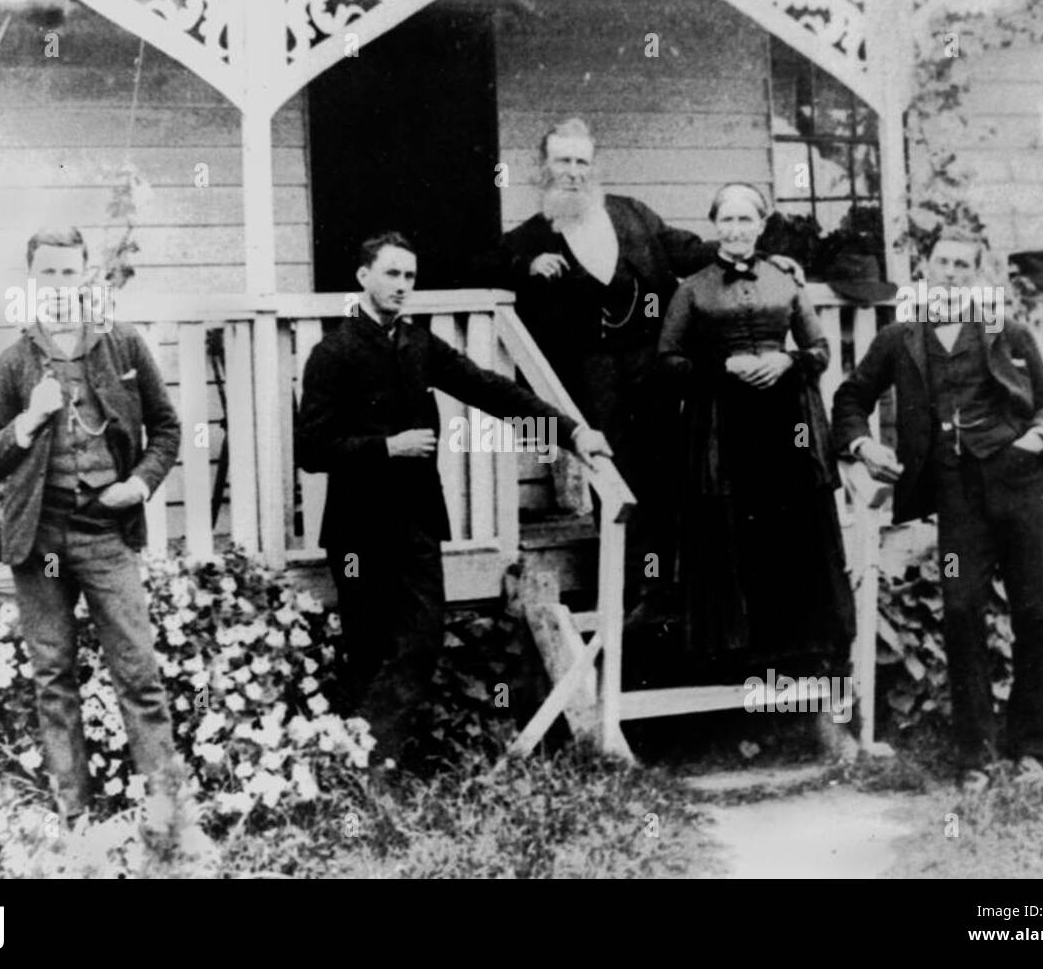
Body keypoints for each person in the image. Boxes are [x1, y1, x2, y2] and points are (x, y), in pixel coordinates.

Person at [298, 232, 612, 758]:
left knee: (421, 643)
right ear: (363, 278)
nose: (402, 286)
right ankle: (367, 771)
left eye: (410, 277)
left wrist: (570, 432)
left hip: (417, 521)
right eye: (392, 274)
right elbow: (311, 448)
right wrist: (386, 447)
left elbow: (491, 389)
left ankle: (367, 758)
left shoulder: (420, 345)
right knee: (368, 651)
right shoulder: (333, 353)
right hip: (357, 528)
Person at [832, 229, 1043, 793]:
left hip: (1021, 486)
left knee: (1034, 614)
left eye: (965, 264)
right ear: (927, 268)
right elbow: (850, 398)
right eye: (944, 262)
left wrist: (1038, 436)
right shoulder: (899, 337)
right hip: (956, 494)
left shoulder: (1005, 330)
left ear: (978, 273)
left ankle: (1031, 748)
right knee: (962, 613)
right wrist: (863, 446)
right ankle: (976, 759)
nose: (954, 272)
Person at [0, 225, 181, 821]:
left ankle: (168, 818)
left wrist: (138, 484)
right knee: (52, 678)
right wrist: (27, 422)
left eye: (71, 272)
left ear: (85, 277)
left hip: (105, 532)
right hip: (40, 538)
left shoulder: (123, 345)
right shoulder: (16, 361)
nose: (60, 284)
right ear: (33, 279)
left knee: (139, 674)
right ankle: (74, 822)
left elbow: (166, 429)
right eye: (49, 273)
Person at [488, 118, 718, 630]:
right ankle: (635, 590)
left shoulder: (633, 215)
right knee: (613, 473)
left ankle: (671, 588)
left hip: (652, 365)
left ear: (594, 168)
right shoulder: (527, 238)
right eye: (563, 161)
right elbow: (477, 266)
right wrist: (525, 267)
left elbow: (689, 251)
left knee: (667, 468)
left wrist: (757, 254)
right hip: (591, 374)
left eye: (581, 162)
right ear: (543, 168)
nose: (573, 172)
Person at [658, 182, 855, 687]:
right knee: (732, 530)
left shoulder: (785, 281)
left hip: (785, 421)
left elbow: (820, 350)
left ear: (761, 226)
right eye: (726, 220)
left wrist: (784, 359)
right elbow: (669, 360)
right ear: (715, 225)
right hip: (723, 425)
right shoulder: (692, 288)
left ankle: (801, 652)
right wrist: (723, 365)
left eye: (746, 220)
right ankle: (738, 659)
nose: (736, 229)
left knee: (790, 526)